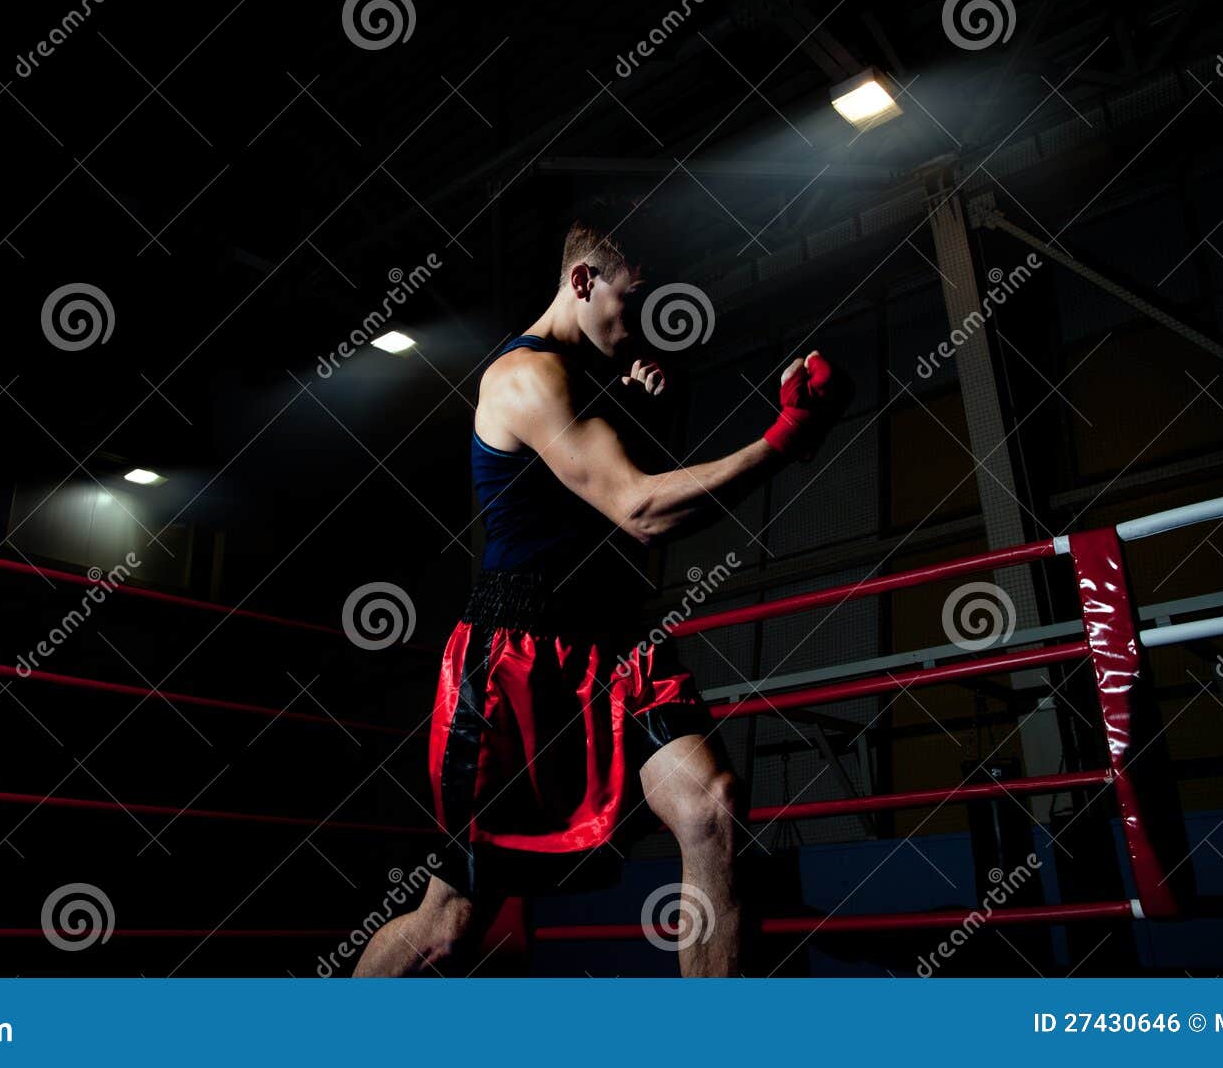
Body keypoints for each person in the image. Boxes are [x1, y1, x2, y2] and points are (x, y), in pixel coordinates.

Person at [354, 216, 852, 976]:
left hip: (618, 648)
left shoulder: (593, 382)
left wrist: (640, 409)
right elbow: (642, 510)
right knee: (448, 924)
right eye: (634, 299)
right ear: (582, 282)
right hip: (517, 660)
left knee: (711, 807)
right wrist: (785, 439)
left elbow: (602, 502)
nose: (645, 320)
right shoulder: (525, 376)